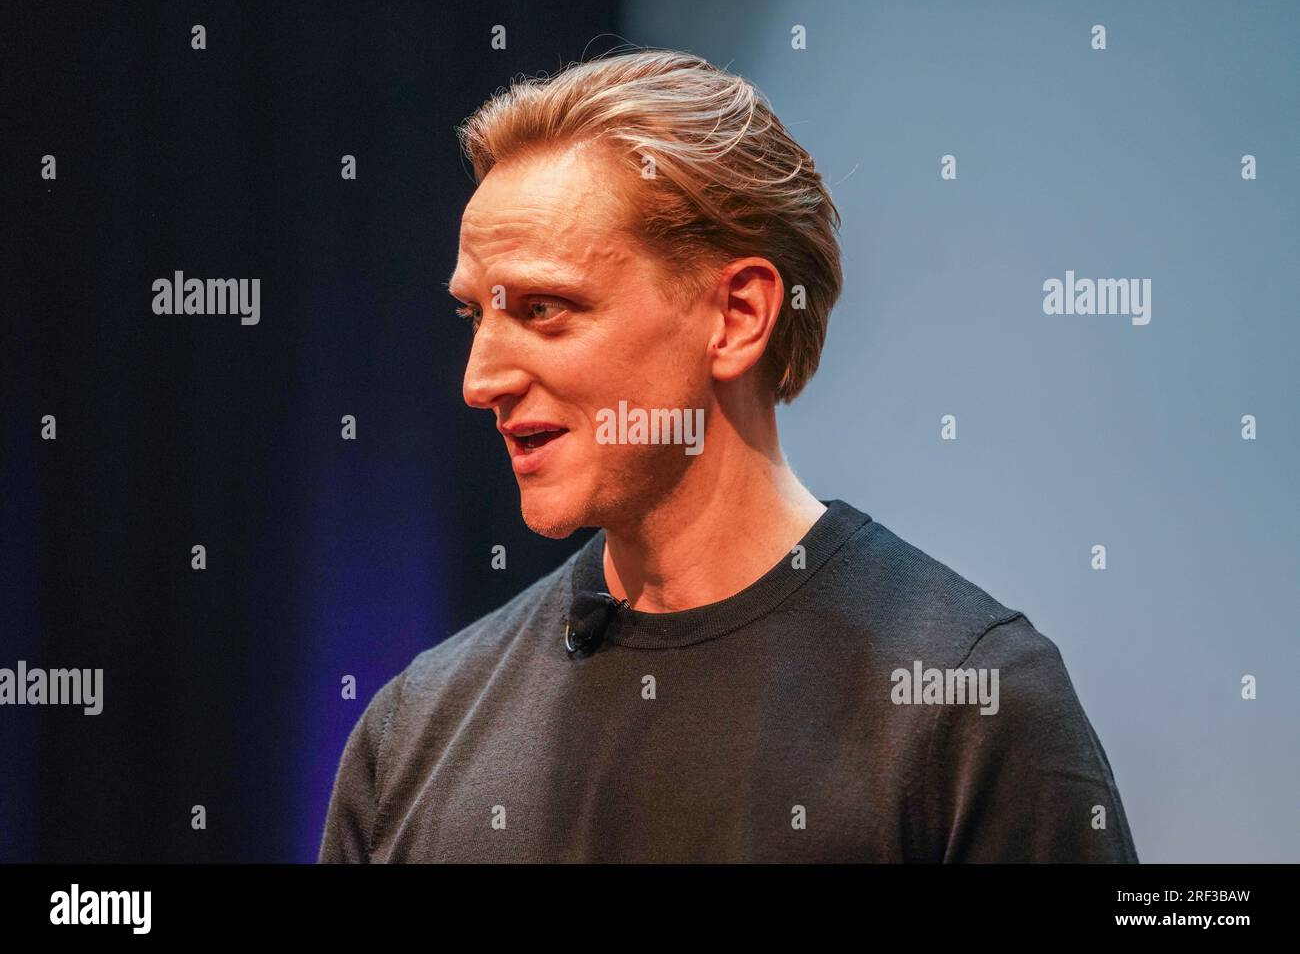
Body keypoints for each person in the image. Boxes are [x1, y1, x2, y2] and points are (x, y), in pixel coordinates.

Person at [318, 48, 1138, 863]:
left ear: (738, 315)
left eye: (544, 309)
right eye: (475, 316)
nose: (479, 380)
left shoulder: (969, 703)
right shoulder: (414, 732)